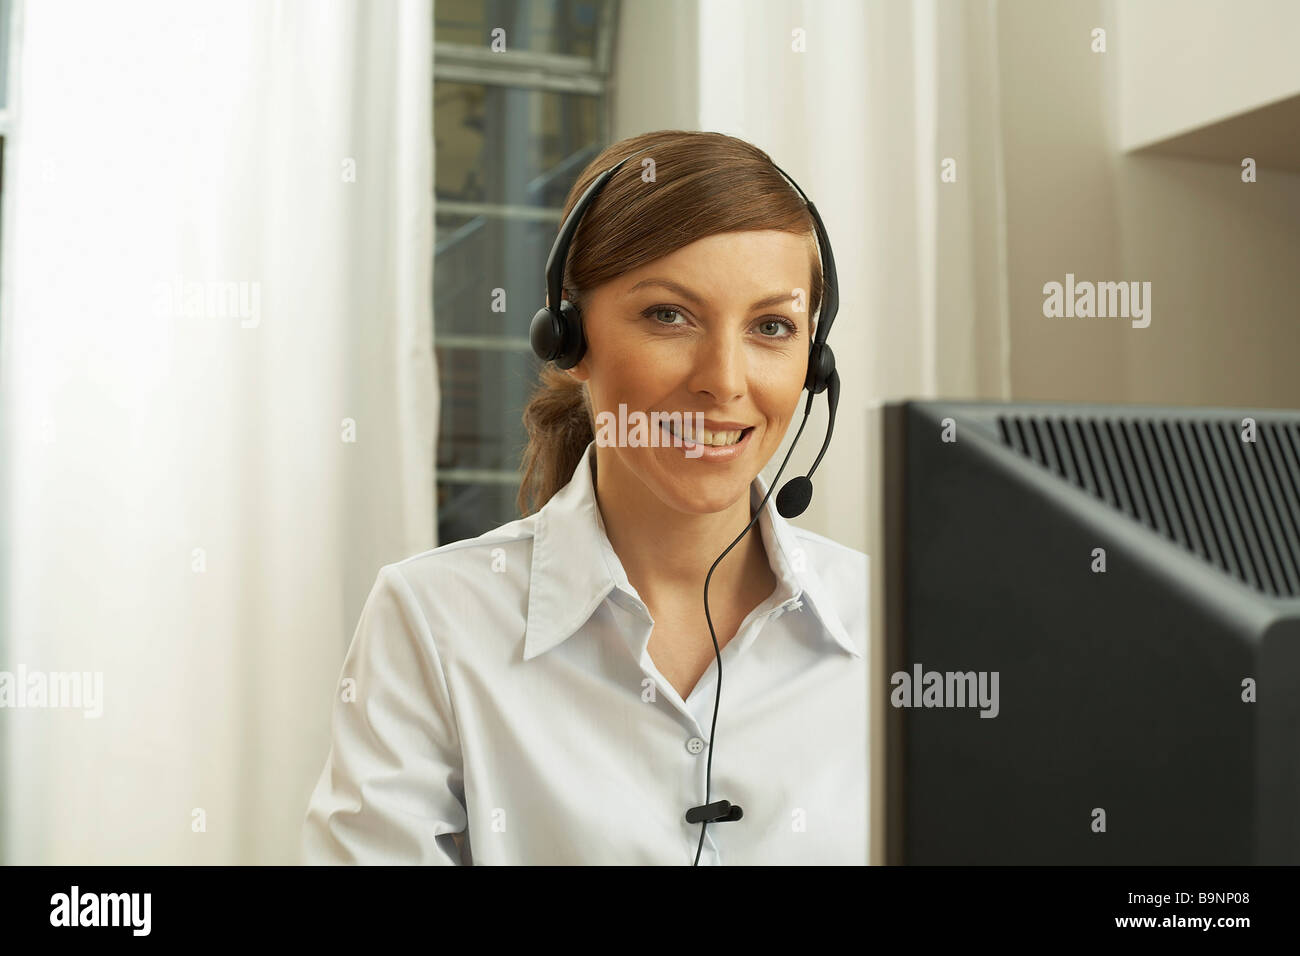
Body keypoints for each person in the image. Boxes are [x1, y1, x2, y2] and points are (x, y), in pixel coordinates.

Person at [301, 129, 868, 865]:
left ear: (813, 362)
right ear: (569, 340)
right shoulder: (434, 622)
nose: (724, 381)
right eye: (669, 315)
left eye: (771, 327)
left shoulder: (891, 626)